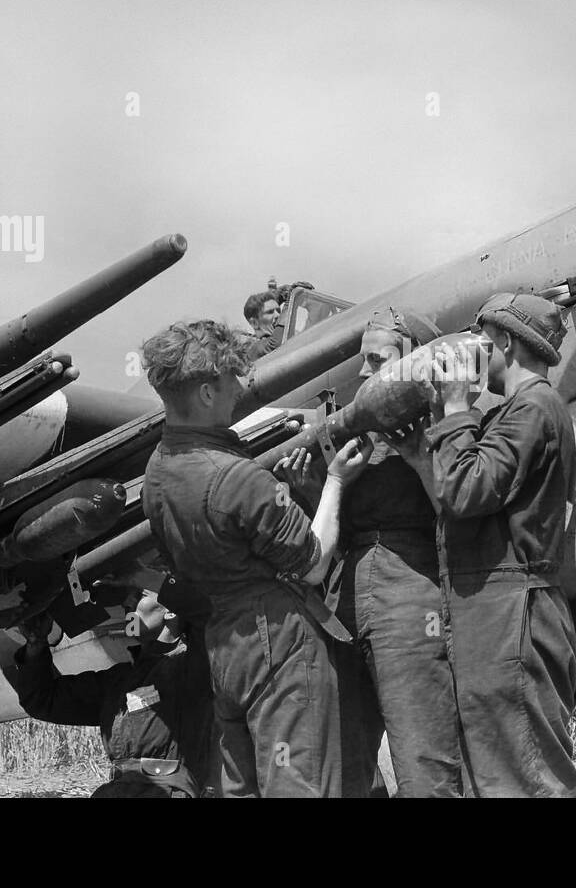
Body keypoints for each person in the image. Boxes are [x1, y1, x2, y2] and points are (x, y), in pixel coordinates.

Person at [139, 319, 370, 797]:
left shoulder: (156, 472)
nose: (239, 388)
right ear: (205, 393)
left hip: (225, 640)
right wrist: (335, 483)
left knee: (240, 783)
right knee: (299, 781)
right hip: (279, 635)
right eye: (230, 380)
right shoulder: (238, 478)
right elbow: (313, 563)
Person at [397, 292, 576, 797]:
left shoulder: (532, 409)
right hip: (496, 613)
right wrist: (421, 457)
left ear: (504, 340)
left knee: (527, 776)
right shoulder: (519, 412)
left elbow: (467, 490)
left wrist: (456, 409)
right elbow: (470, 511)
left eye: (482, 340)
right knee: (501, 771)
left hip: (511, 615)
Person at [276, 307, 462, 798]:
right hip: (342, 605)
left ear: (411, 361)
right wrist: (313, 487)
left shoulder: (451, 424)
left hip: (411, 600)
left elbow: (464, 508)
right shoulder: (345, 429)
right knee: (343, 764)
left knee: (424, 763)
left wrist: (421, 459)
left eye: (376, 361)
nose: (362, 372)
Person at [11, 588, 212, 798]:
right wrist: (37, 644)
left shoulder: (196, 666)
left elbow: (205, 609)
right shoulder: (119, 680)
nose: (128, 602)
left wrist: (151, 576)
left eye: (140, 595)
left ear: (171, 610)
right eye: (128, 594)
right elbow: (43, 700)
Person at [243, 291, 281, 361]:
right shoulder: (254, 351)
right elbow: (276, 343)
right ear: (254, 323)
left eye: (279, 311)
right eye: (270, 312)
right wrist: (288, 303)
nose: (278, 315)